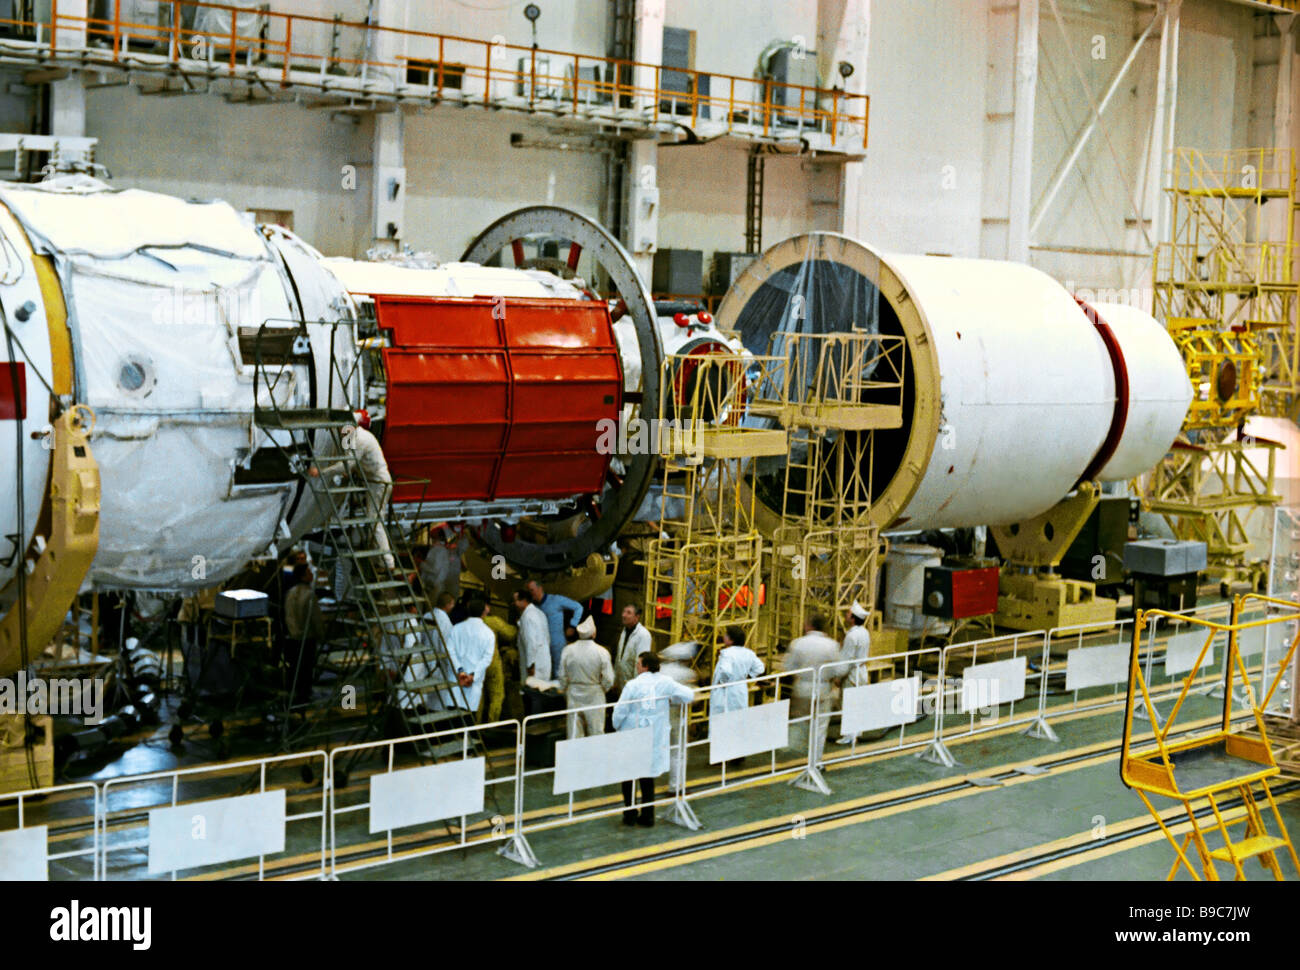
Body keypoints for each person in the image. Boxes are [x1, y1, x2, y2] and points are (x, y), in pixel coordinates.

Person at [612, 651, 694, 827]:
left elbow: (620, 710)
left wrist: (617, 726)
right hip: (654, 736)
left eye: (638, 664)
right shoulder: (666, 682)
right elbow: (688, 695)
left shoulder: (632, 685)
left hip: (633, 734)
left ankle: (630, 814)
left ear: (646, 666)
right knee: (647, 776)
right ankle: (648, 815)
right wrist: (672, 699)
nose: (636, 667)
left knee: (629, 775)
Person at [310, 415, 395, 570]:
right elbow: (347, 461)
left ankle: (387, 562)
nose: (339, 432)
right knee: (373, 521)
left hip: (379, 483)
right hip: (372, 482)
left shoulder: (361, 439)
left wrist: (322, 472)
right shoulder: (350, 435)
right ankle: (379, 559)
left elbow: (346, 464)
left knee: (374, 521)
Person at [782, 613, 840, 765]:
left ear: (809, 625)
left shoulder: (798, 643)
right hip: (822, 687)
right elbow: (838, 670)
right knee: (820, 725)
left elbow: (788, 666)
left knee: (800, 719)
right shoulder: (831, 645)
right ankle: (816, 761)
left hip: (802, 686)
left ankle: (794, 744)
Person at [558, 615, 614, 739]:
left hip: (573, 693)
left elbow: (562, 676)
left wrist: (565, 689)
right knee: (596, 732)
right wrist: (601, 689)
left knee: (574, 733)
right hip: (595, 694)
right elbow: (609, 679)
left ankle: (574, 758)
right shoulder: (602, 652)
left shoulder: (568, 650)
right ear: (594, 634)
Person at [446, 599, 495, 715]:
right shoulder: (489, 634)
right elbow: (487, 659)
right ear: (484, 613)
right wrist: (473, 676)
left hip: (456, 681)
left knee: (449, 726)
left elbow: (450, 652)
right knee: (467, 724)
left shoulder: (455, 629)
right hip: (473, 686)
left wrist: (461, 672)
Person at [525, 579, 583, 678]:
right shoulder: (532, 607)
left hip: (557, 644)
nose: (531, 594)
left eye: (532, 590)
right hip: (542, 646)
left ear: (540, 589)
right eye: (529, 591)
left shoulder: (556, 600)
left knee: (559, 673)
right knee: (542, 673)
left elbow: (578, 607)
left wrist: (573, 626)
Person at [282, 563, 323, 703]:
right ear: (303, 576)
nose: (311, 574)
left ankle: (294, 695)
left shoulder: (290, 592)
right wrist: (321, 634)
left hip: (293, 637)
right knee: (306, 669)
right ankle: (303, 697)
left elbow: (288, 615)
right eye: (308, 572)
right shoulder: (310, 595)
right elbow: (315, 618)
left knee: (294, 668)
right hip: (307, 638)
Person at [835, 601, 873, 745]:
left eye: (849, 613)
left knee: (848, 703)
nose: (846, 614)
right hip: (862, 671)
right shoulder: (864, 632)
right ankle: (858, 731)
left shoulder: (851, 636)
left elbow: (847, 660)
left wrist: (839, 677)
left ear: (853, 618)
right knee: (858, 702)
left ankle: (850, 735)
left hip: (852, 673)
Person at [710, 625, 764, 719]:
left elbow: (726, 671)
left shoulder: (727, 653)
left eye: (726, 635)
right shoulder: (748, 653)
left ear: (731, 640)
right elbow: (760, 668)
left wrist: (723, 682)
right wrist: (749, 676)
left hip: (725, 692)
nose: (724, 637)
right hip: (741, 688)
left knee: (721, 719)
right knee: (739, 718)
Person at [613, 604, 651, 694]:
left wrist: (636, 687)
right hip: (622, 683)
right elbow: (619, 657)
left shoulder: (643, 635)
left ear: (637, 617)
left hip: (633, 686)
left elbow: (641, 663)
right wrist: (615, 680)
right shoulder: (624, 631)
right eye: (623, 612)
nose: (623, 615)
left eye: (628, 613)